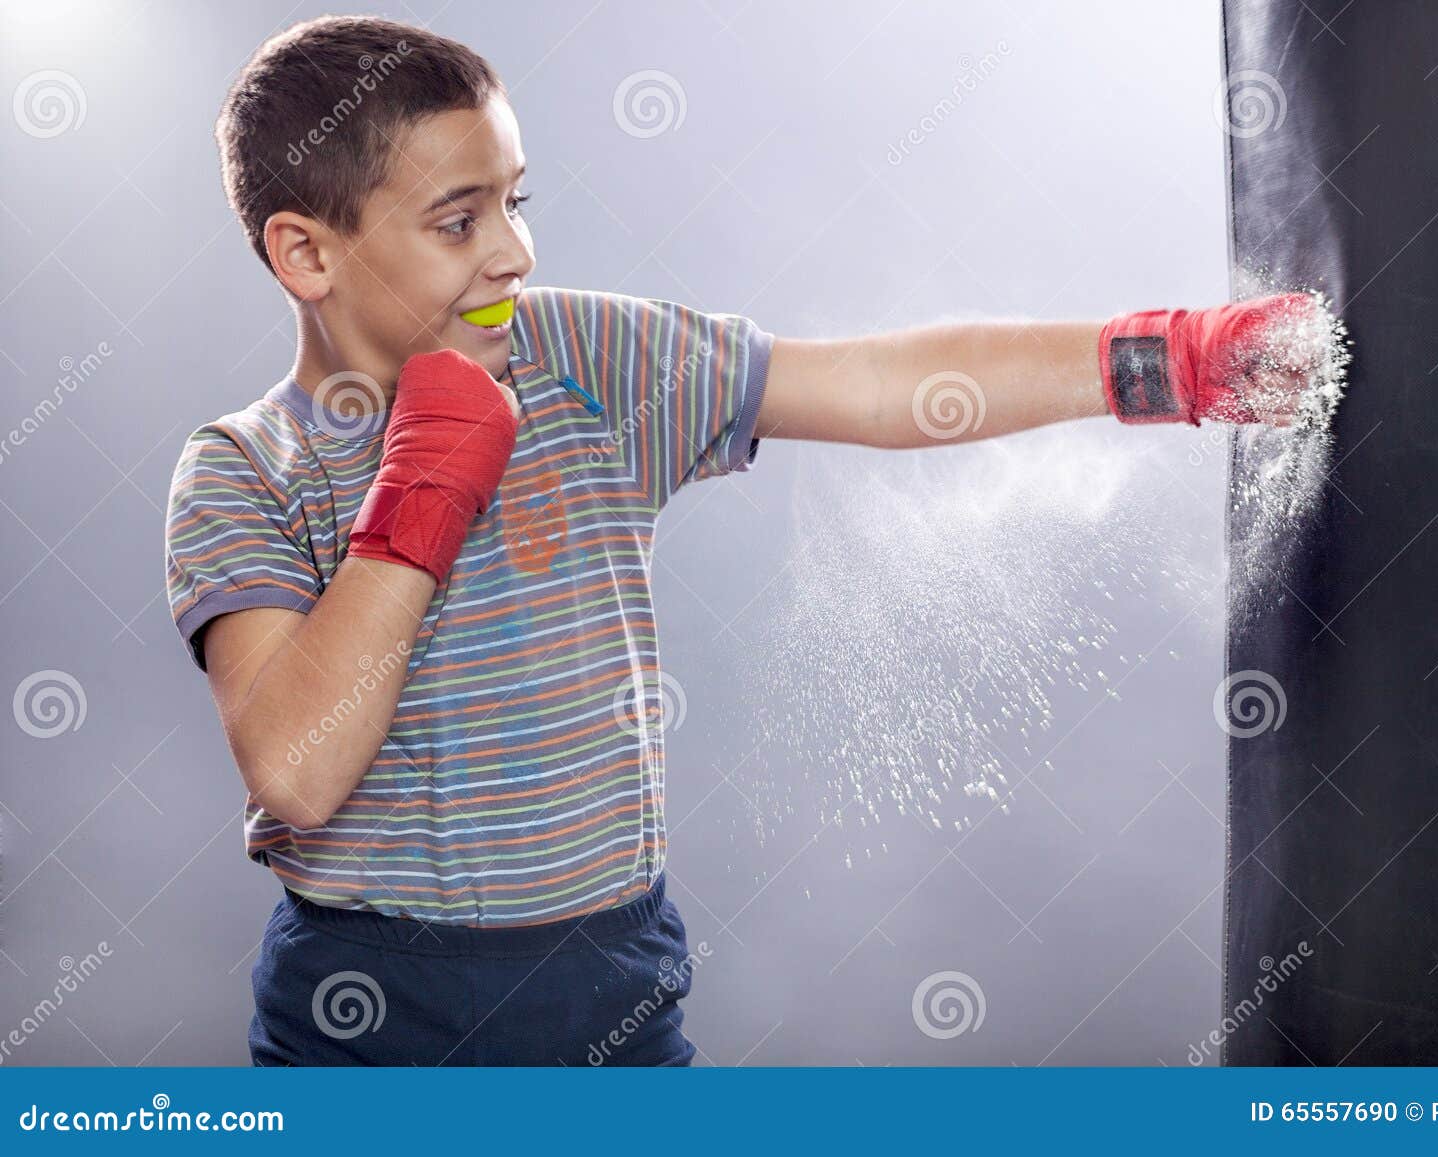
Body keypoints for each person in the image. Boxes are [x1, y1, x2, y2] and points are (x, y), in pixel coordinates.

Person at [164, 14, 1325, 1066]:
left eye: (517, 202)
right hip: (371, 1012)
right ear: (307, 254)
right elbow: (298, 769)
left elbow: (876, 381)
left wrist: (1164, 359)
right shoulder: (244, 468)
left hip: (606, 983)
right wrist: (423, 485)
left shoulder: (581, 361)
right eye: (459, 220)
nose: (512, 253)